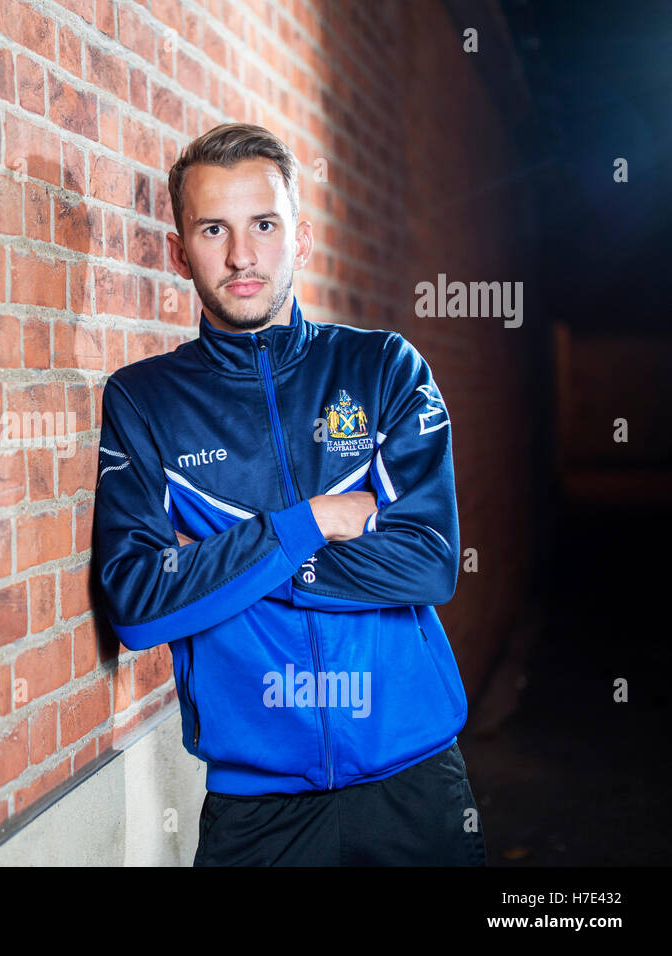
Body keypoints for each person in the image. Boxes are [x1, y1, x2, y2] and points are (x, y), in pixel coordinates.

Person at [91, 123, 486, 866]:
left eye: (264, 225)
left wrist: (228, 569)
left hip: (416, 787)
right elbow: (140, 606)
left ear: (300, 239)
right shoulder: (145, 402)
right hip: (258, 815)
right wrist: (310, 523)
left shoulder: (383, 369)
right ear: (179, 252)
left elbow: (429, 562)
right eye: (214, 229)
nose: (242, 256)